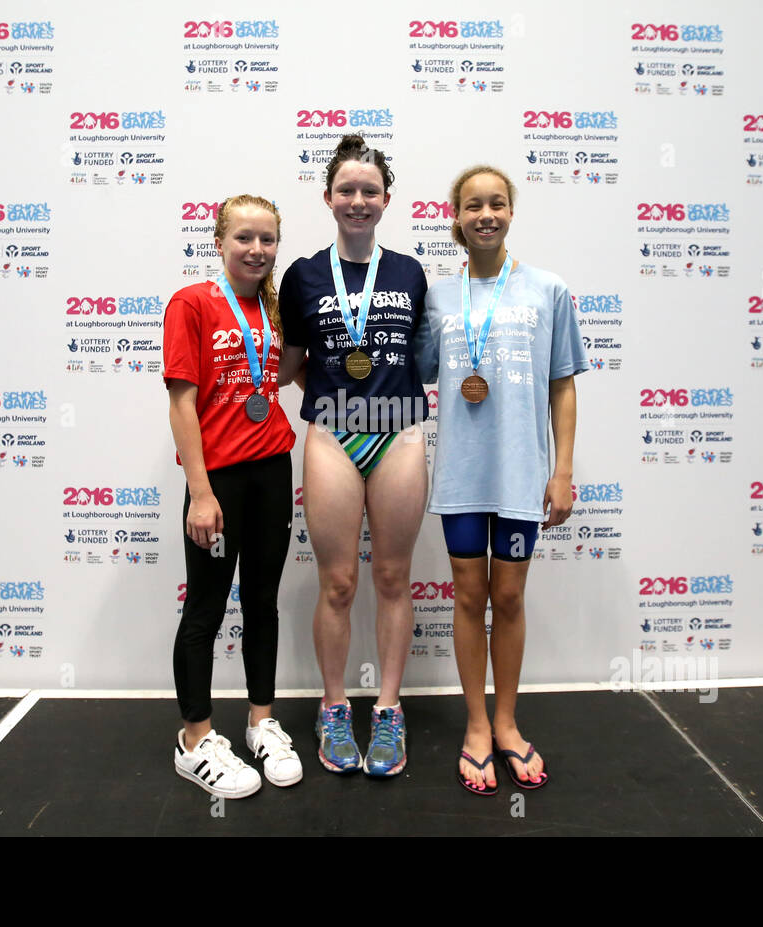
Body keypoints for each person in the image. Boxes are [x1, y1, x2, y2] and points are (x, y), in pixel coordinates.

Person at [413, 166, 587, 794]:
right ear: (455, 216)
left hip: (521, 474)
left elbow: (562, 384)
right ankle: (477, 725)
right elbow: (420, 372)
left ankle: (508, 722)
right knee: (467, 596)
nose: (485, 214)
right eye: (473, 206)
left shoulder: (548, 289)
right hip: (462, 471)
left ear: (511, 212)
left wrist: (562, 469)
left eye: (497, 204)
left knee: (509, 598)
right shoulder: (436, 297)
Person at [277, 135, 428, 777]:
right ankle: (334, 705)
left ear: (387, 199)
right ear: (328, 198)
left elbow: (422, 360)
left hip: (400, 435)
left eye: (370, 191)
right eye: (347, 190)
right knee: (338, 582)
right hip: (333, 435)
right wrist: (340, 400)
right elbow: (289, 368)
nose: (358, 201)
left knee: (393, 577)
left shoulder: (410, 271)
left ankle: (388, 710)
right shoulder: (303, 274)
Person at [163, 194, 302, 798]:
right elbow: (181, 403)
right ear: (218, 241)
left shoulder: (272, 309)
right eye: (244, 238)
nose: (256, 250)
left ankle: (261, 721)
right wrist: (199, 492)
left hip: (272, 470)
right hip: (216, 480)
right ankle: (194, 740)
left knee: (264, 601)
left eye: (267, 239)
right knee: (206, 608)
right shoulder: (192, 303)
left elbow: (287, 373)